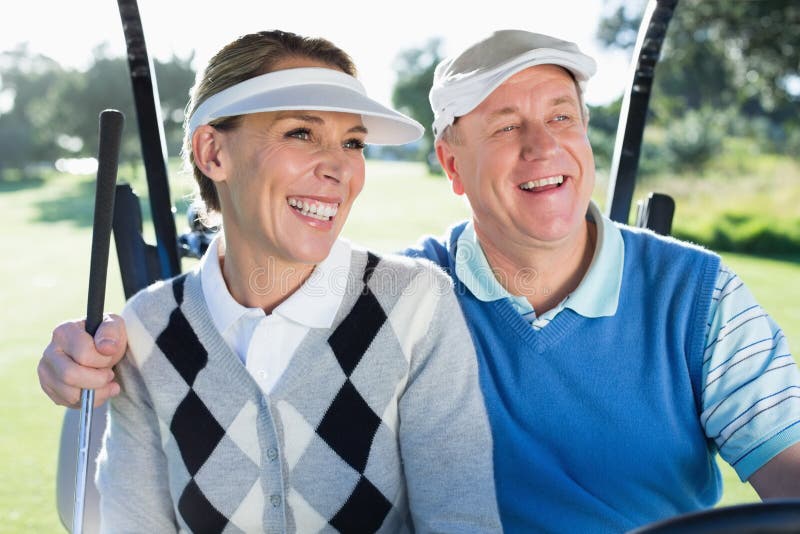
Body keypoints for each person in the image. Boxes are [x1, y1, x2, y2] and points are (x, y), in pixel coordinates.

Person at [39, 29, 800, 533]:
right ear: (452, 164)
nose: (545, 148)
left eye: (564, 118)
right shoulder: (400, 297)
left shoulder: (697, 297)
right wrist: (88, 370)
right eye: (506, 126)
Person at [41, 29, 501, 533]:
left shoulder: (416, 305)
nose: (338, 168)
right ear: (213, 153)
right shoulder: (144, 331)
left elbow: (461, 520)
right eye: (300, 133)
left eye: (353, 142)